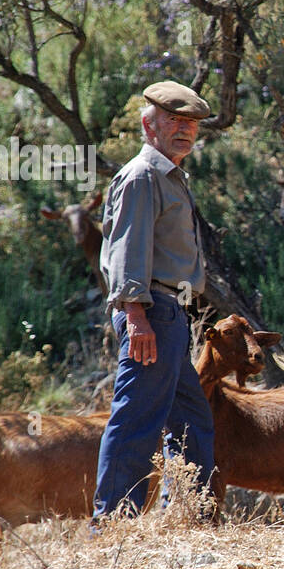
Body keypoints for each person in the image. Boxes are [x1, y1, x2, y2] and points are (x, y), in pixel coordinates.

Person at [93, 80, 217, 522]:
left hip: (167, 314)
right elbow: (128, 250)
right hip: (151, 313)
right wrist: (136, 316)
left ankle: (187, 515)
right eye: (173, 121)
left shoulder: (169, 175)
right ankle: (111, 526)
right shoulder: (143, 176)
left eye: (190, 124)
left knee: (191, 422)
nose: (184, 130)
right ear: (149, 125)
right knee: (136, 420)